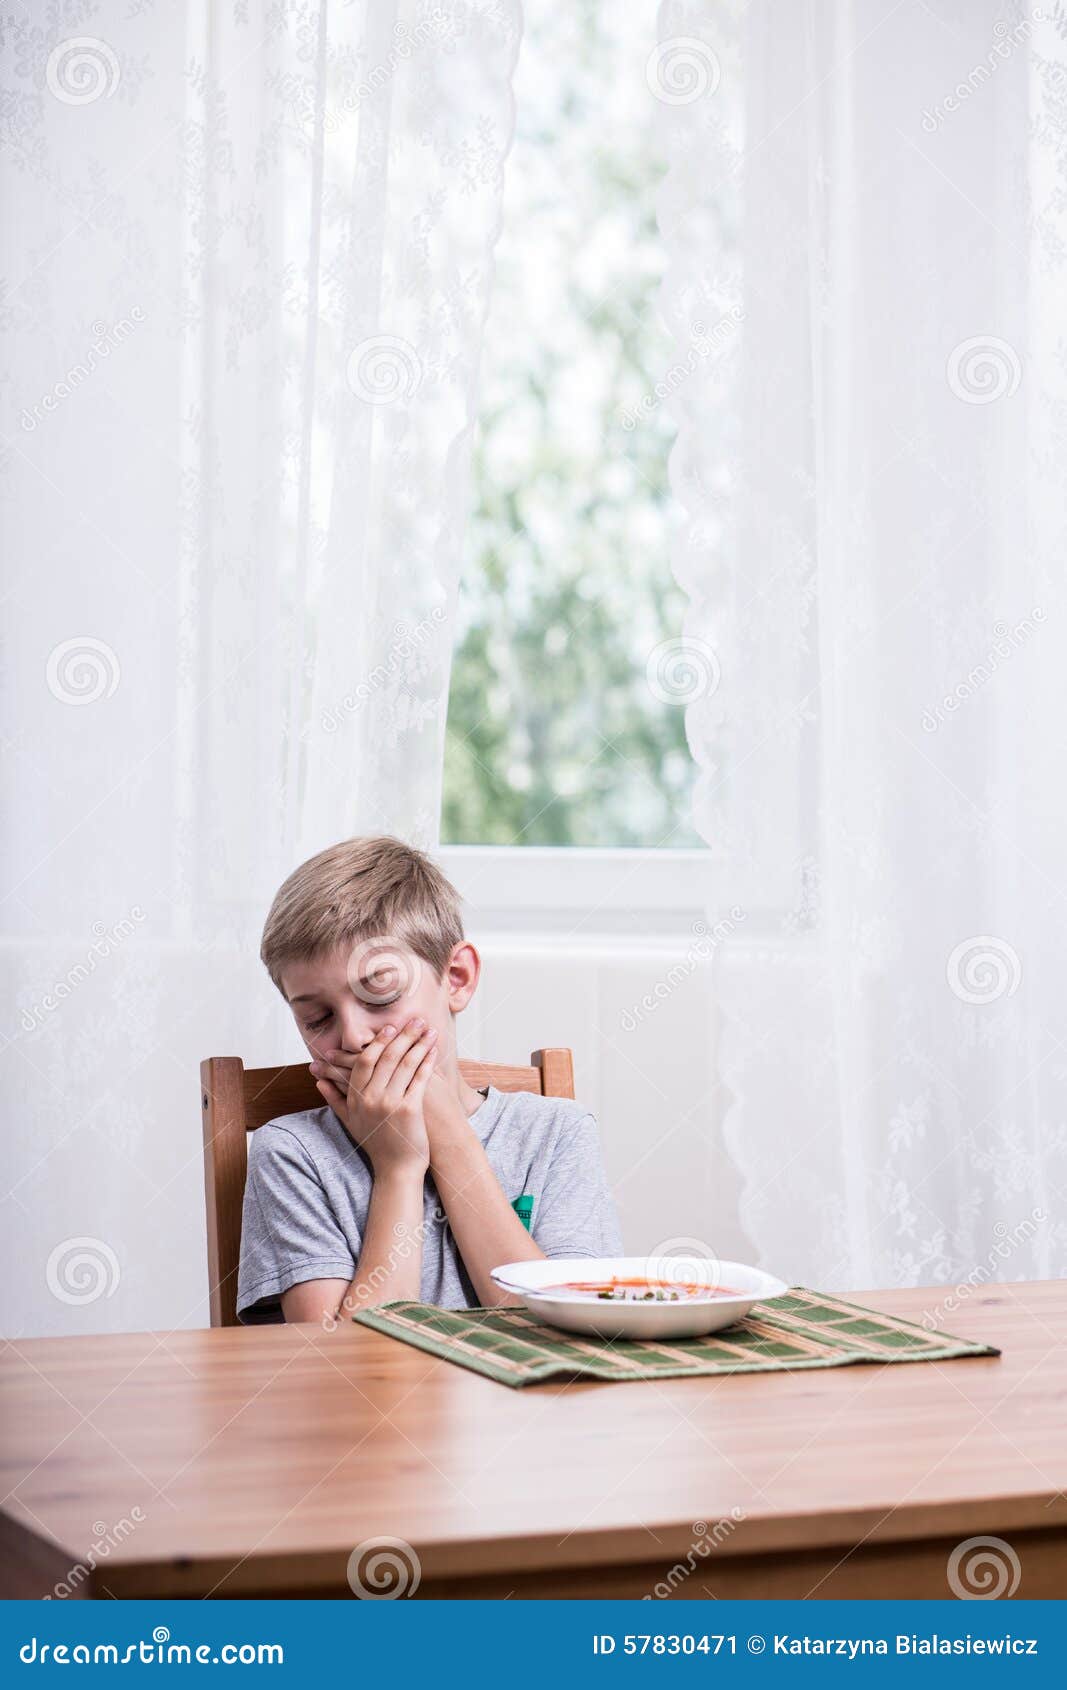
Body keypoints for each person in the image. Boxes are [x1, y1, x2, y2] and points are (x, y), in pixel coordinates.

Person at [236, 835, 623, 1325]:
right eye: (317, 1018)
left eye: (379, 995)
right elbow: (343, 1368)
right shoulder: (292, 1153)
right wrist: (398, 1167)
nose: (354, 1037)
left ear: (456, 978)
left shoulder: (557, 1135)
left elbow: (567, 1334)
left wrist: (446, 1133)